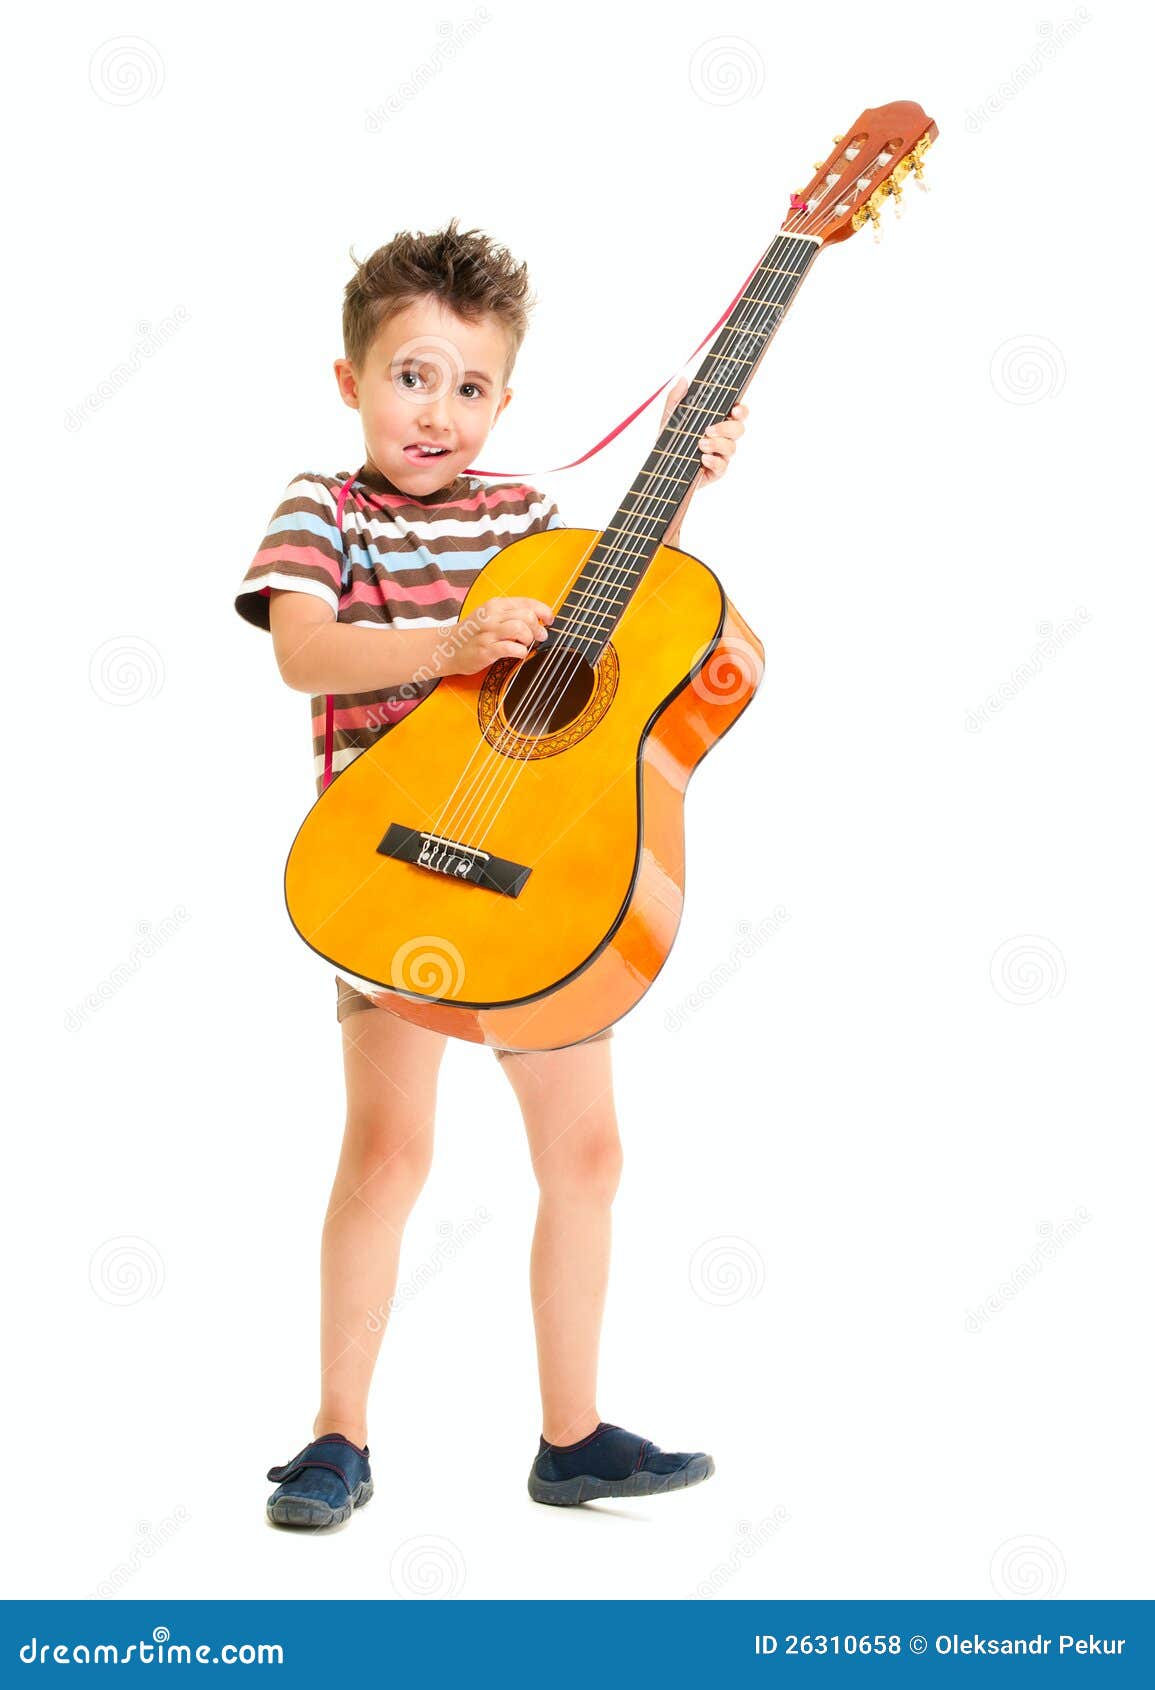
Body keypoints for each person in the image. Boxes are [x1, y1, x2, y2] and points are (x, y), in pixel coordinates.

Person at [235, 218, 748, 1527]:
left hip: (540, 891)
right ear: (350, 382)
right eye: (413, 375)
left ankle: (570, 1436)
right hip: (395, 878)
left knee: (588, 1157)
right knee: (389, 1153)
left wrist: (680, 474)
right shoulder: (324, 506)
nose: (441, 410)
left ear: (504, 401)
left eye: (471, 387)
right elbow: (303, 653)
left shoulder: (522, 513)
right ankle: (335, 1433)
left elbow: (614, 602)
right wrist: (449, 645)